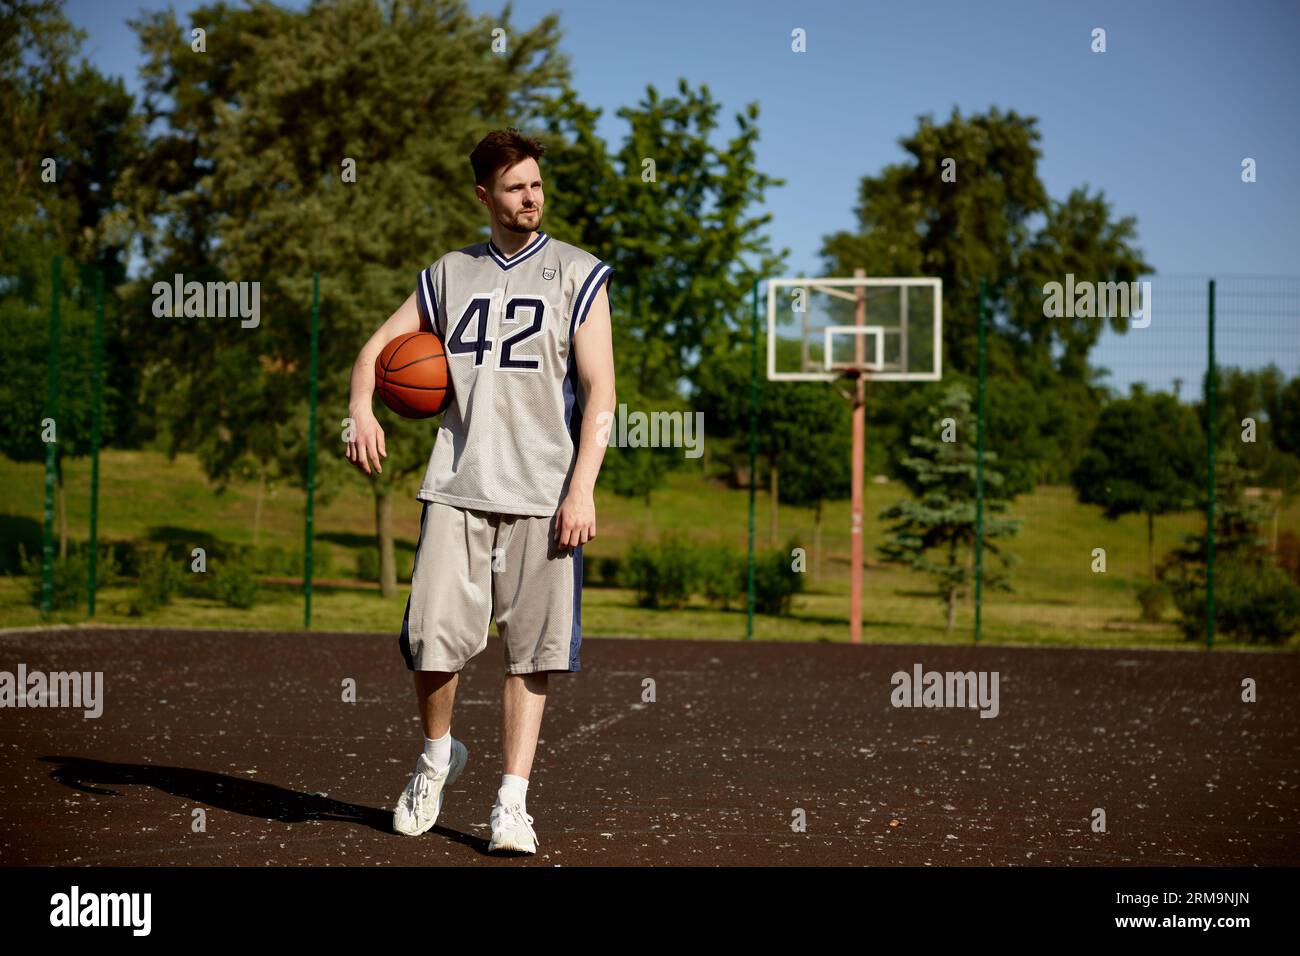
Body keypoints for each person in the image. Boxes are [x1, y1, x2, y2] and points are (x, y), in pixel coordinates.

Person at [345, 128, 616, 854]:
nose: (531, 197)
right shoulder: (448, 275)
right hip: (458, 485)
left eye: (535, 184)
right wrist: (362, 407)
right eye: (515, 188)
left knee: (532, 653)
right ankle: (437, 758)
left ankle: (511, 803)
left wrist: (582, 490)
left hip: (544, 492)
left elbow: (600, 393)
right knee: (432, 641)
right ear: (483, 197)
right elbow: (376, 351)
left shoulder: (577, 274)